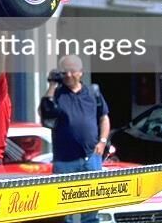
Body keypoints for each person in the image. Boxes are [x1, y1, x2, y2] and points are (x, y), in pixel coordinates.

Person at [39, 55, 110, 223]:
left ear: (80, 72)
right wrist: (52, 85)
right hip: (65, 161)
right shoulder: (56, 94)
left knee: (91, 209)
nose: (68, 75)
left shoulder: (93, 92)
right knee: (65, 212)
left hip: (91, 157)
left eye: (72, 71)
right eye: (65, 71)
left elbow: (104, 118)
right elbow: (45, 114)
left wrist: (102, 141)